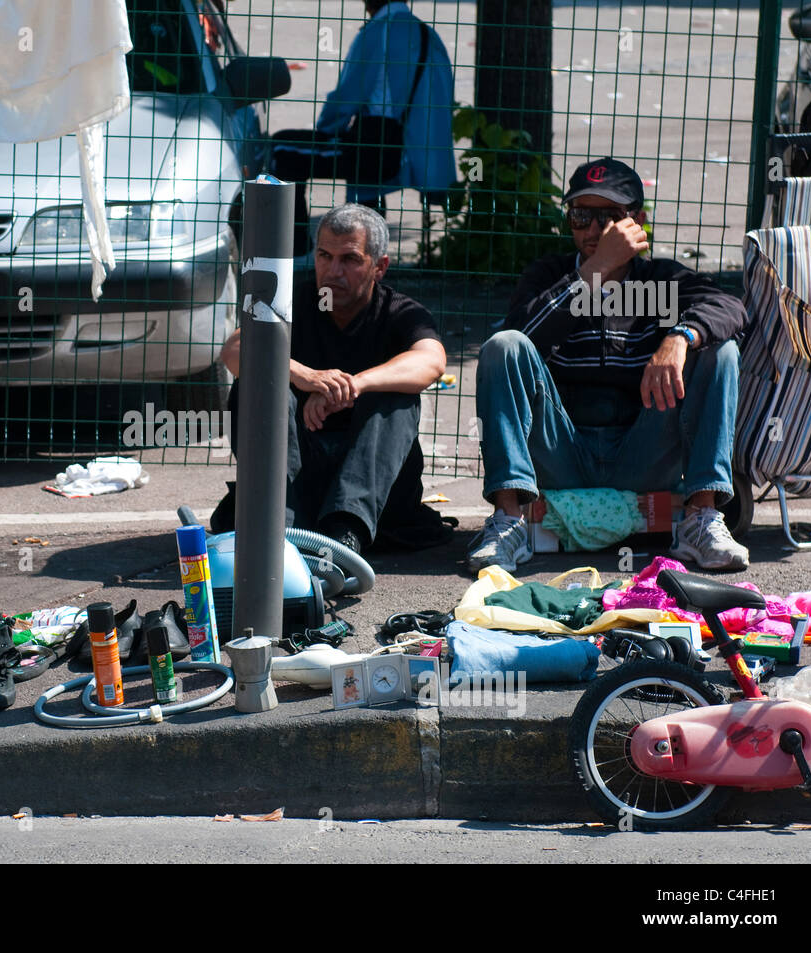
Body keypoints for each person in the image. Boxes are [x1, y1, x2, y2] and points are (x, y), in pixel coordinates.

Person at [467, 157, 751, 573]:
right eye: (582, 216)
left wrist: (679, 336)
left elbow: (731, 308)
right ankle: (508, 522)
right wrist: (593, 273)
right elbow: (524, 334)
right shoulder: (549, 274)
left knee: (719, 350)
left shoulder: (659, 280)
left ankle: (701, 519)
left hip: (642, 452)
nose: (594, 229)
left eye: (610, 217)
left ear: (637, 221)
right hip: (563, 452)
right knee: (503, 346)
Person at [215, 203, 448, 555]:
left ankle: (344, 534)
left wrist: (353, 385)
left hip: (373, 490)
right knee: (257, 381)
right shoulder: (294, 301)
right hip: (296, 483)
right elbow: (234, 350)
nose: (333, 271)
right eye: (324, 255)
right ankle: (282, 530)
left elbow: (432, 361)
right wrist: (305, 376)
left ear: (379, 267)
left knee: (397, 396)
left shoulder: (400, 311)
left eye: (350, 259)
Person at [267, 0, 456, 255]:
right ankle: (367, 256)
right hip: (417, 155)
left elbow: (346, 97)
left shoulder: (377, 33)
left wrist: (325, 131)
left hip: (378, 148)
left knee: (283, 150)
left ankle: (296, 253)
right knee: (365, 182)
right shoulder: (427, 35)